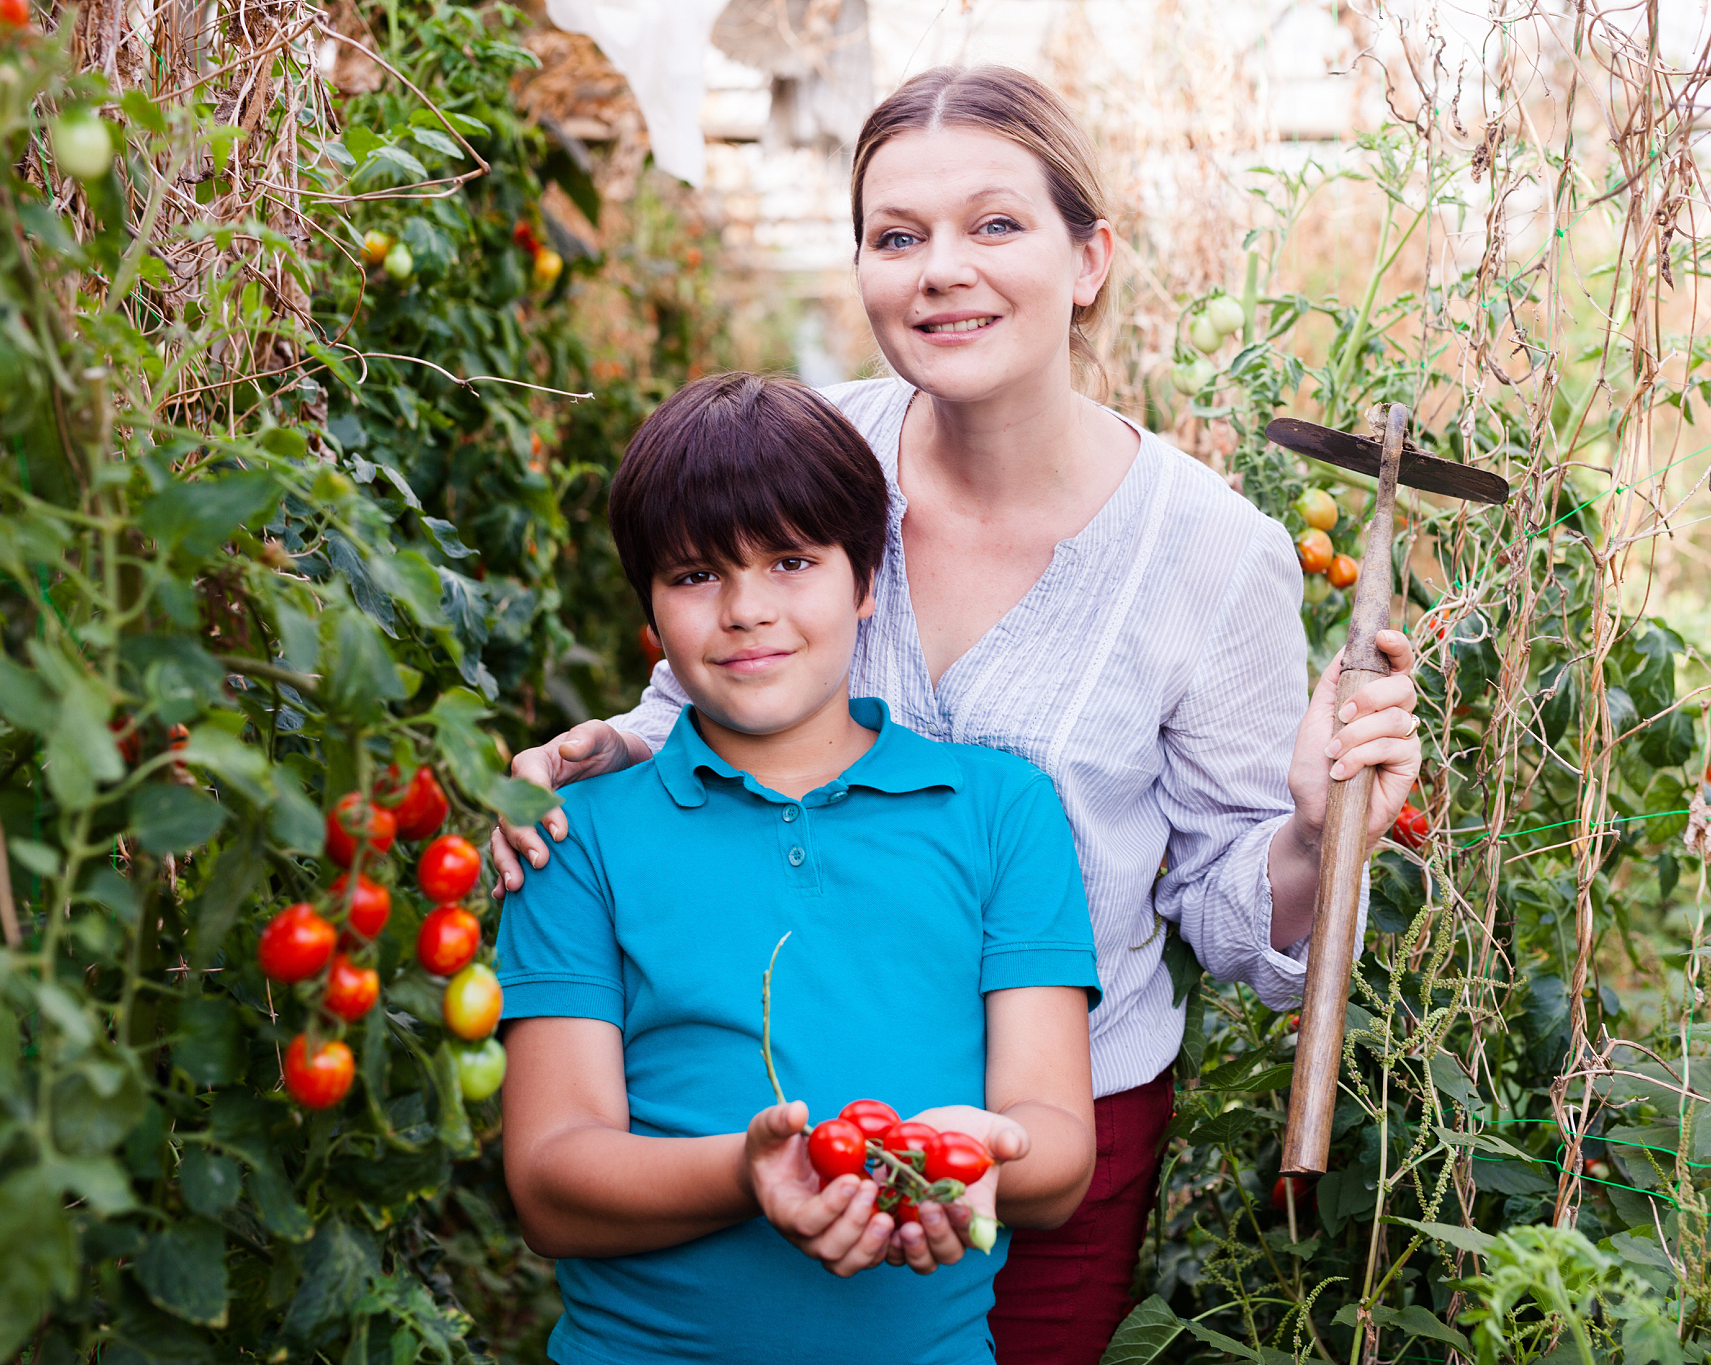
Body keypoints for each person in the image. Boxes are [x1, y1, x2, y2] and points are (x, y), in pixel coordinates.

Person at [493, 66, 1422, 1363]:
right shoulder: (820, 459)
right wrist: (605, 753)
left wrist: (1318, 834)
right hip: (792, 1105)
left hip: (1056, 1137)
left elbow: (1229, 903)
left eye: (994, 226)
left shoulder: (1211, 554)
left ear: (1090, 259)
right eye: (896, 236)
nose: (940, 271)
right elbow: (712, 696)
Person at [497, 373, 1100, 1365]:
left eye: (790, 561)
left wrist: (961, 1153)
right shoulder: (578, 835)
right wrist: (749, 1174)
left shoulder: (999, 812)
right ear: (648, 611)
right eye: (694, 575)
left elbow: (1057, 1150)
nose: (744, 609)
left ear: (867, 584)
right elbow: (553, 1185)